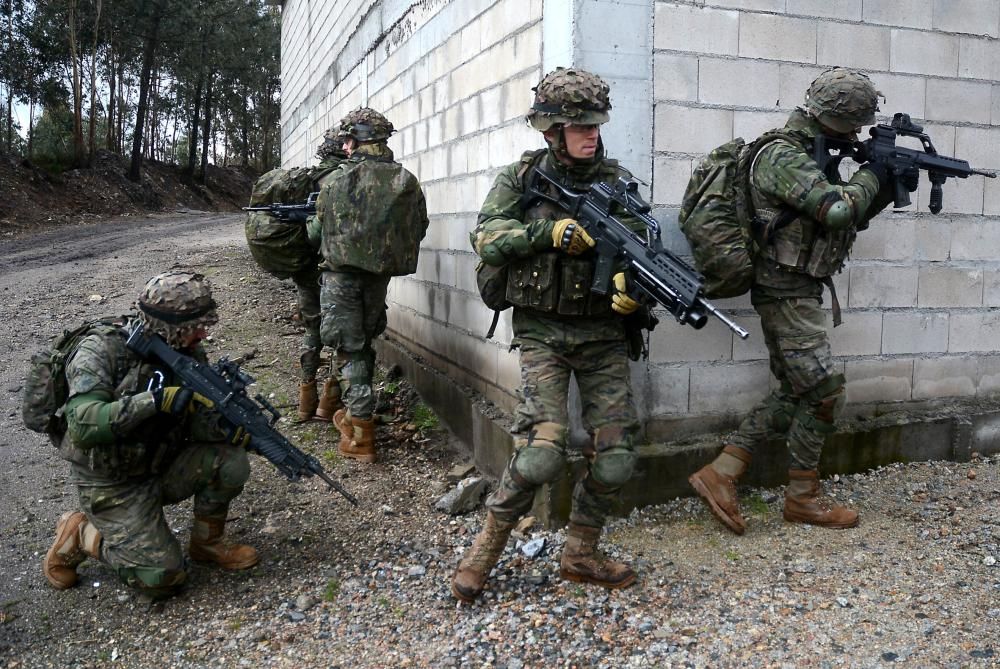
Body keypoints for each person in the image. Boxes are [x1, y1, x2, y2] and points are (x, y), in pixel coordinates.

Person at [688, 67, 917, 534]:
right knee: (824, 391)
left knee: (798, 391)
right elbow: (835, 210)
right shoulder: (782, 155)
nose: (856, 133)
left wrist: (887, 184)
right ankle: (803, 498)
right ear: (833, 119)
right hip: (783, 289)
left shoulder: (813, 156)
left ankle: (723, 472)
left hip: (800, 287)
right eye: (853, 125)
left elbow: (847, 217)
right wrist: (874, 172)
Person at [452, 67, 650, 603]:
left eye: (595, 124)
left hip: (603, 335)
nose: (591, 134)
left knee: (616, 456)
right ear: (551, 131)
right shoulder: (521, 179)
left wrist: (635, 297)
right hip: (543, 332)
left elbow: (644, 257)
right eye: (578, 126)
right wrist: (548, 233)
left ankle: (580, 552)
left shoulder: (619, 182)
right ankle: (484, 553)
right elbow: (487, 237)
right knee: (543, 452)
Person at [42, 271, 258, 600]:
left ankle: (207, 544)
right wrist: (155, 401)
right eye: (194, 326)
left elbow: (192, 418)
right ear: (169, 326)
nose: (203, 333)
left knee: (229, 461)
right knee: (163, 577)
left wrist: (225, 427)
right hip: (112, 482)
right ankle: (82, 533)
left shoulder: (185, 350)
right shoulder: (101, 351)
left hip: (159, 462)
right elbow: (83, 425)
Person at [315, 107, 429, 464]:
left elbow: (318, 229)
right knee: (363, 340)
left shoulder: (335, 181)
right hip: (379, 277)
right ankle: (351, 414)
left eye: (347, 140)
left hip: (341, 278)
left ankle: (361, 433)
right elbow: (419, 226)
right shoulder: (405, 180)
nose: (345, 147)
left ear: (354, 140)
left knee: (347, 347)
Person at [295, 128, 350, 423]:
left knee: (312, 330)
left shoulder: (308, 179)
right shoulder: (345, 178)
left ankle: (306, 398)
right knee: (339, 334)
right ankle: (329, 403)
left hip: (305, 267)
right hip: (334, 270)